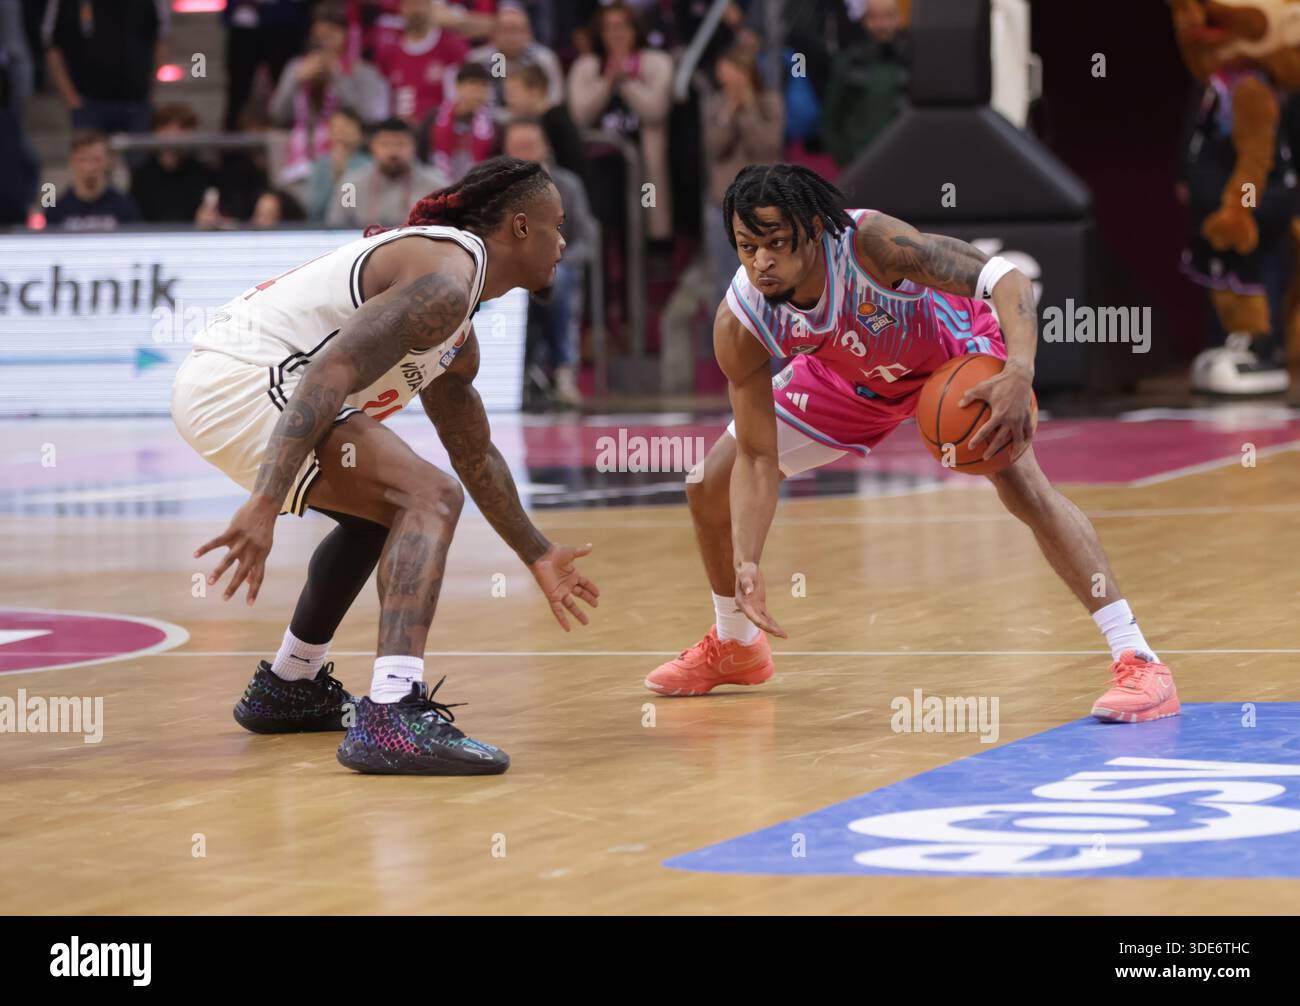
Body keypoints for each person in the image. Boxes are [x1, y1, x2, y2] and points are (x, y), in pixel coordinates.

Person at [645, 164, 1179, 726]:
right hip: (846, 381)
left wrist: (1019, 370)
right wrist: (748, 559)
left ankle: (1139, 659)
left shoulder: (873, 245)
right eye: (747, 246)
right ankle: (737, 644)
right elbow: (759, 455)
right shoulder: (740, 321)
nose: (761, 262)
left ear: (813, 229)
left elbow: (1008, 280)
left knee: (1021, 483)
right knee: (709, 482)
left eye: (776, 243)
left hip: (949, 357)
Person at [171, 156, 599, 776]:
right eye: (557, 226)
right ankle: (393, 712)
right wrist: (265, 502)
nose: (564, 242)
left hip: (232, 385)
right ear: (521, 226)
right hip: (244, 381)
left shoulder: (457, 319)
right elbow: (332, 369)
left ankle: (291, 683)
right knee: (428, 496)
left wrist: (537, 552)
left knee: (383, 514)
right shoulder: (446, 281)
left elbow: (473, 448)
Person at [503, 117, 597, 408]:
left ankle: (563, 373)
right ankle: (512, 376)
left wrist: (559, 259)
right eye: (517, 147)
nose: (524, 154)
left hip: (557, 267)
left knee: (560, 280)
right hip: (506, 272)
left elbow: (588, 240)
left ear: (544, 147)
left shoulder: (567, 186)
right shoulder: (494, 190)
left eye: (530, 146)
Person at [567, 2, 674, 245]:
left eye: (623, 27)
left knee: (647, 220)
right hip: (599, 166)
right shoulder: (586, 66)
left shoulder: (656, 61)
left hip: (644, 166)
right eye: (609, 28)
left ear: (635, 30)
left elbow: (655, 109)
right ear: (600, 33)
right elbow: (579, 115)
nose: (617, 34)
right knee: (604, 228)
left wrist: (625, 79)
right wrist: (607, 80)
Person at [271, 4, 390, 184]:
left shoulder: (362, 72)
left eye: (330, 36)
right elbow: (277, 114)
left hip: (349, 164)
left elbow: (372, 116)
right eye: (319, 37)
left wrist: (338, 77)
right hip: (300, 164)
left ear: (344, 35)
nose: (324, 43)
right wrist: (295, 80)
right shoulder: (296, 67)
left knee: (345, 207)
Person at [702, 44, 783, 302]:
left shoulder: (769, 102)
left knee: (766, 276)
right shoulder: (715, 106)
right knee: (724, 281)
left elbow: (767, 146)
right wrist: (728, 114)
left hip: (764, 204)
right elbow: (713, 147)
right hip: (723, 204)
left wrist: (747, 111)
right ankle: (727, 338)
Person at [42, 0, 166, 135]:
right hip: (88, 104)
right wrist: (72, 100)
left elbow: (160, 39)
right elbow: (52, 45)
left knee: (140, 154)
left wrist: (151, 91)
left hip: (137, 102)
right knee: (89, 154)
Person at [822, 0, 910, 167]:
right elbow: (831, 121)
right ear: (864, 21)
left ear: (899, 18)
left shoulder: (913, 63)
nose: (882, 24)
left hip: (905, 162)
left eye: (888, 16)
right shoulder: (847, 64)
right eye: (874, 17)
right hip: (860, 163)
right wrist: (847, 160)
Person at [325, 116, 447, 228]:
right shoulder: (351, 187)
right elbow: (337, 229)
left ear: (414, 147)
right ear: (372, 147)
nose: (393, 151)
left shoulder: (435, 186)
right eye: (385, 144)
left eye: (401, 144)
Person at [372, 0, 470, 125]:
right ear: (401, 8)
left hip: (439, 128)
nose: (417, 11)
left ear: (432, 7)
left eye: (422, 4)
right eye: (411, 4)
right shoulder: (389, 52)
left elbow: (461, 97)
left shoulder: (452, 47)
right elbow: (382, 101)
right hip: (401, 132)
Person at [129, 103, 218, 224]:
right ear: (159, 131)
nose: (183, 136)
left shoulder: (204, 173)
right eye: (178, 128)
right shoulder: (143, 175)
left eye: (187, 129)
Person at [503, 61, 587, 187]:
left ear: (535, 91)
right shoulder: (526, 123)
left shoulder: (558, 123)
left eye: (513, 93)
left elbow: (573, 170)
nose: (509, 101)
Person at [467, 1, 564, 108]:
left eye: (516, 30)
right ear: (493, 34)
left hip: (535, 120)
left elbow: (554, 100)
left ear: (529, 34)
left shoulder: (545, 59)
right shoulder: (477, 61)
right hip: (490, 122)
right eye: (505, 30)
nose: (511, 37)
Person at [45, 131, 140, 230]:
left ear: (108, 161)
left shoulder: (124, 207)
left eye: (96, 160)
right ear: (72, 161)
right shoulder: (57, 209)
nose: (89, 167)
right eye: (83, 160)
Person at [424, 61, 497, 182]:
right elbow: (422, 157)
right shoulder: (433, 118)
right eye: (473, 85)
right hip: (437, 185)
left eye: (484, 86)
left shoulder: (493, 126)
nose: (478, 93)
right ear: (458, 87)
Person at [304, 107, 372, 221]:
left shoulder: (369, 165)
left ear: (360, 134)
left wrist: (343, 177)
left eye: (347, 128)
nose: (341, 134)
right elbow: (312, 209)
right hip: (323, 229)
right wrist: (336, 176)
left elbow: (365, 205)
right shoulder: (320, 166)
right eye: (336, 128)